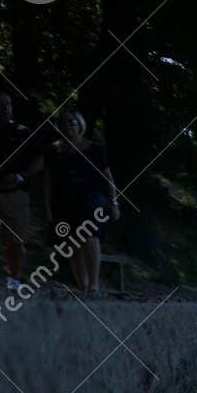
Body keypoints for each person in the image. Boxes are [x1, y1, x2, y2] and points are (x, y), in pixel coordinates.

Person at [44, 111, 119, 294]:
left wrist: (115, 203)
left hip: (92, 202)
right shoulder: (53, 151)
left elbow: (108, 178)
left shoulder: (95, 149)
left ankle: (94, 286)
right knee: (72, 245)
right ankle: (82, 287)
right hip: (63, 203)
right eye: (63, 123)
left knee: (91, 239)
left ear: (80, 124)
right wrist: (46, 206)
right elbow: (47, 181)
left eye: (72, 122)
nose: (68, 126)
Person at [0, 91, 42, 292]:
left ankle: (13, 280)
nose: (6, 109)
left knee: (15, 241)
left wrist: (21, 176)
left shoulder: (23, 133)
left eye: (9, 105)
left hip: (15, 193)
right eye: (1, 105)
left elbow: (39, 161)